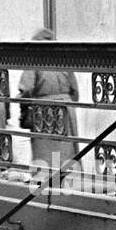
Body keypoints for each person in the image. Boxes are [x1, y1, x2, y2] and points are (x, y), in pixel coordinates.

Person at [18, 28, 79, 186]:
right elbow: (75, 90)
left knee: (45, 148)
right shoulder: (63, 60)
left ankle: (45, 181)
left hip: (44, 108)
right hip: (66, 106)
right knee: (66, 148)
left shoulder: (34, 61)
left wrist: (24, 109)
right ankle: (67, 180)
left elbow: (26, 89)